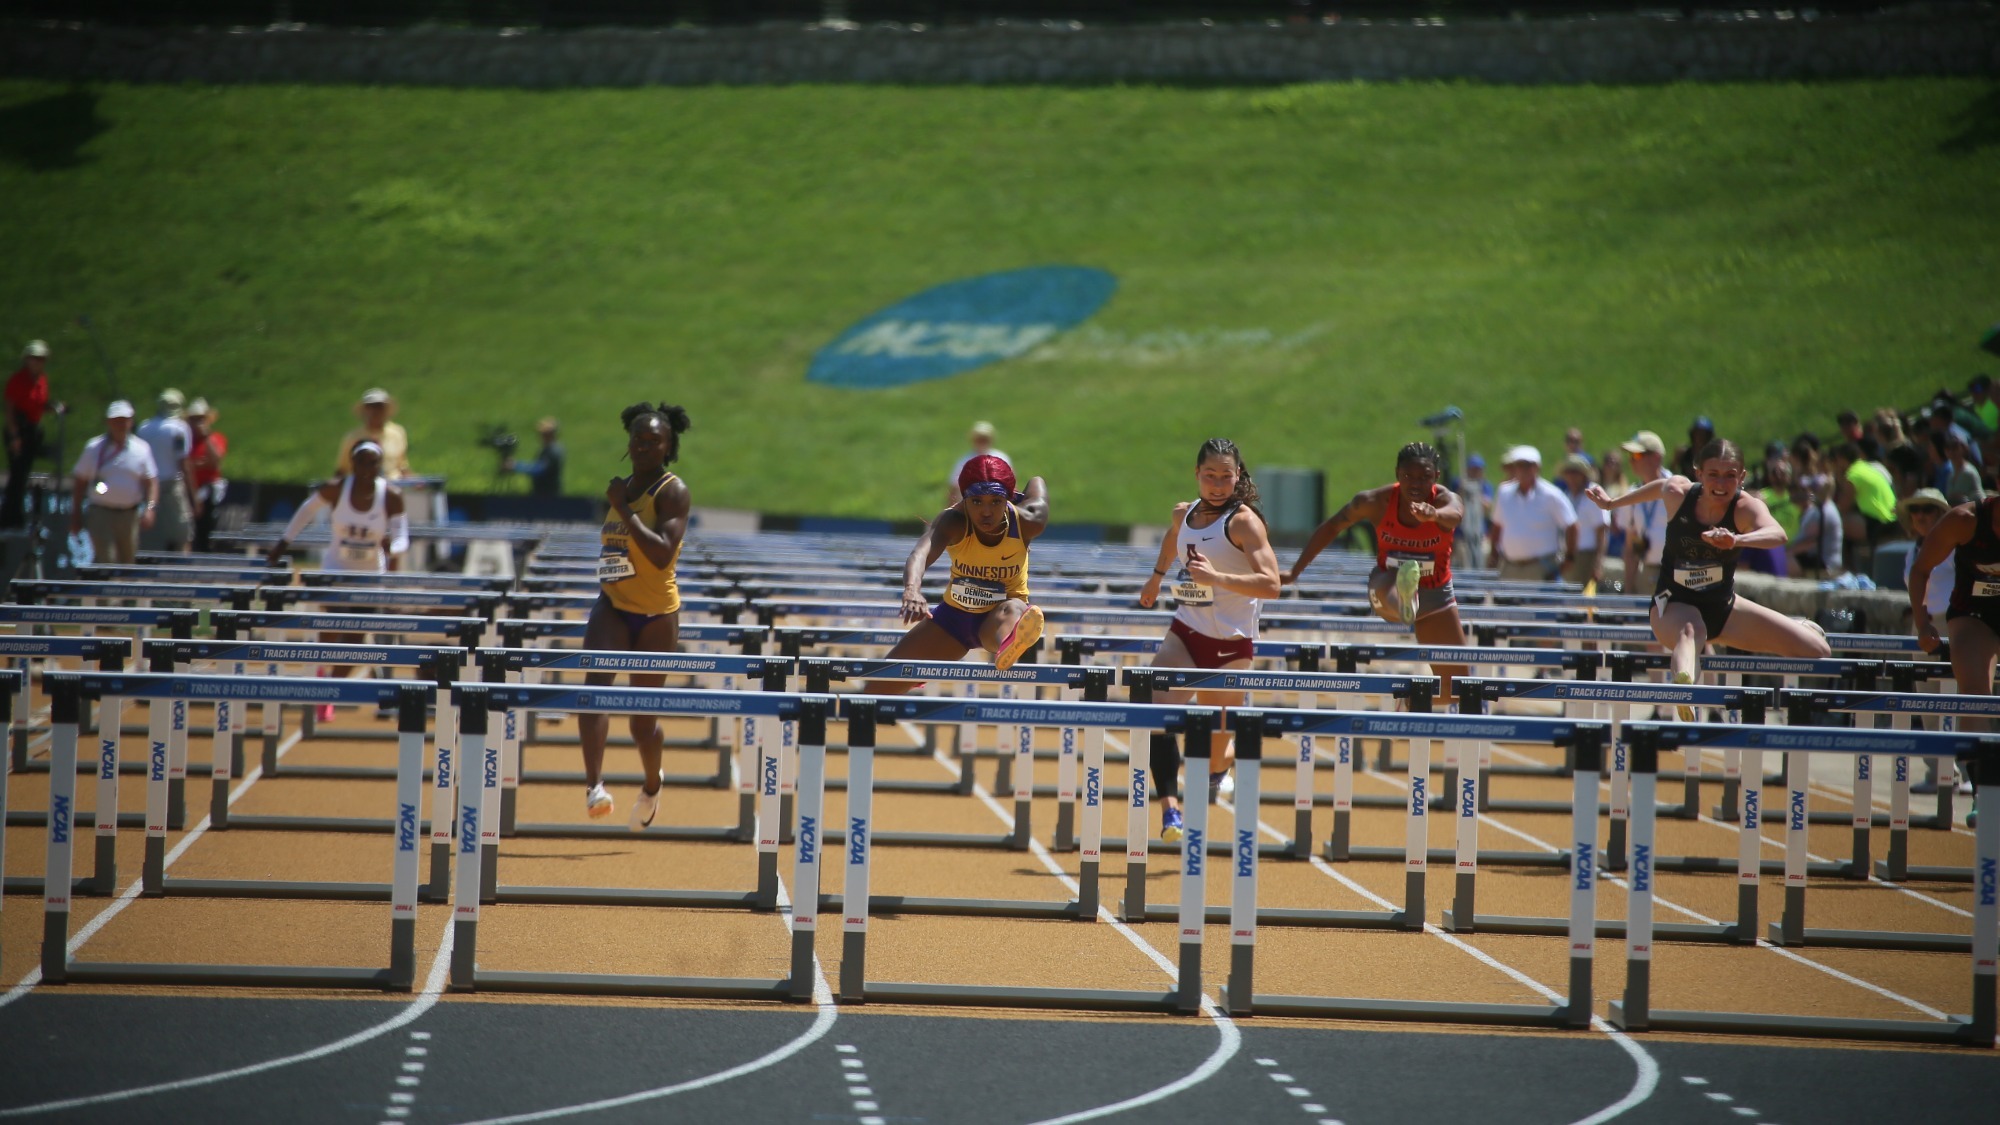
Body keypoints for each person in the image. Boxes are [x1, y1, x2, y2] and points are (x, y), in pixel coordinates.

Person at [1586, 438, 1831, 718]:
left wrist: (1736, 539)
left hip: (1722, 608)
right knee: (1692, 631)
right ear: (1698, 474)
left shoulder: (1744, 507)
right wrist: (1612, 504)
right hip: (1672, 606)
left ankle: (1796, 626)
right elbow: (1658, 488)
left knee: (1818, 651)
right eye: (1713, 474)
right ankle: (1685, 692)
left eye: (1730, 476)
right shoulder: (1679, 492)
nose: (1721, 484)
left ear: (1742, 477)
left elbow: (1777, 534)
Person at [1136, 439, 1281, 841]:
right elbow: (1173, 537)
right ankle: (1171, 812)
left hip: (1230, 648)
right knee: (1154, 715)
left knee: (1216, 754)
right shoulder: (1184, 513)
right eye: (1210, 476)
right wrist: (1157, 575)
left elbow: (1271, 584)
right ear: (1196, 475)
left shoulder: (1243, 521)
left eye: (1226, 476)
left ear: (1238, 477)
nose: (1217, 484)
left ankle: (1223, 767)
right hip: (1185, 633)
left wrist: (1217, 578)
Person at [569, 403, 693, 827]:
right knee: (593, 693)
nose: (643, 446)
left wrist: (623, 508)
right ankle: (594, 786)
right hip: (613, 607)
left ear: (668, 446)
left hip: (657, 615)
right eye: (638, 439)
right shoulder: (619, 487)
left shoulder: (672, 492)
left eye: (653, 440)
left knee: (643, 724)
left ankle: (652, 783)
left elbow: (660, 556)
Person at [1287, 441, 1469, 704]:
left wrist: (1434, 515)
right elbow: (1332, 526)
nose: (1416, 484)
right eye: (1408, 477)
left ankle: (1407, 702)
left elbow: (1455, 514)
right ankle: (1407, 600)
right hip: (1386, 587)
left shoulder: (1445, 501)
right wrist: (1295, 571)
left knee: (1456, 690)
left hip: (1436, 593)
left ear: (1436, 476)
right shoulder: (1374, 502)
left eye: (1424, 477)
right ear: (1397, 474)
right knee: (1396, 578)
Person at [267, 440, 411, 718]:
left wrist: (392, 547)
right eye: (363, 461)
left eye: (373, 462)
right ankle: (323, 671)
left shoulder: (391, 495)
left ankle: (331, 688)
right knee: (330, 629)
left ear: (379, 465)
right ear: (353, 463)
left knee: (357, 636)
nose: (368, 468)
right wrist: (283, 544)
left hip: (370, 574)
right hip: (335, 568)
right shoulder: (336, 489)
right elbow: (306, 511)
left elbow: (403, 536)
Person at [882, 454, 1047, 682]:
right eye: (977, 501)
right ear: (964, 500)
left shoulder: (1028, 521)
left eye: (996, 501)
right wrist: (911, 589)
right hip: (954, 618)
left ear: (1008, 499)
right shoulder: (954, 521)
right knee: (883, 681)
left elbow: (1037, 482)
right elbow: (920, 553)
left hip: (998, 617)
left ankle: (1009, 645)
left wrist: (1016, 494)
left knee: (1015, 608)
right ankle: (1008, 643)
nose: (986, 511)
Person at [1906, 489, 2000, 826]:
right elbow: (1920, 570)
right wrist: (1923, 624)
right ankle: (1981, 789)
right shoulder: (1965, 520)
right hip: (1973, 613)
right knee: (1975, 691)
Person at [69, 400, 157, 565]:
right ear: (108, 422)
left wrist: (150, 508)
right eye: (116, 421)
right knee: (106, 561)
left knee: (128, 562)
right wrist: (76, 515)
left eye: (124, 420)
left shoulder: (141, 449)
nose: (120, 425)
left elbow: (151, 482)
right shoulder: (94, 448)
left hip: (130, 515)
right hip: (101, 513)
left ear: (131, 421)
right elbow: (80, 481)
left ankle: (122, 590)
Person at [1489, 445, 1576, 583]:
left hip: (1542, 567)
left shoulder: (1551, 495)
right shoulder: (1503, 493)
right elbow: (1497, 525)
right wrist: (1493, 554)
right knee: (1508, 604)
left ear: (1537, 467)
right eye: (1519, 465)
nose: (1523, 470)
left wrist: (1569, 558)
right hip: (1511, 566)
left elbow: (1571, 524)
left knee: (1541, 605)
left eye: (1528, 465)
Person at [135, 389, 195, 552]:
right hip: (171, 484)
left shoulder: (144, 427)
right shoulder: (180, 429)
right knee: (183, 532)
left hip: (147, 486)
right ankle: (180, 568)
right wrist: (193, 497)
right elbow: (184, 463)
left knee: (150, 531)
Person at [4, 340, 54, 529]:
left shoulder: (42, 380)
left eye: (41, 359)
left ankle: (16, 516)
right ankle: (10, 517)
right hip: (18, 428)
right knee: (17, 474)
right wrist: (14, 436)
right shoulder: (18, 380)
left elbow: (39, 404)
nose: (37, 362)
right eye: (34, 358)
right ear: (26, 359)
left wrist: (53, 407)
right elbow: (9, 410)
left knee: (24, 473)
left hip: (33, 428)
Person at [1619, 431, 1673, 596]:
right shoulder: (1633, 494)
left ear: (1656, 457)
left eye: (1636, 455)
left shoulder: (1676, 489)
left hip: (1674, 573)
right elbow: (1630, 547)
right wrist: (1628, 588)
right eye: (1630, 455)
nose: (1631, 461)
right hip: (1647, 572)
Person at [335, 388, 412, 480]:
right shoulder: (353, 437)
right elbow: (342, 469)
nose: (375, 411)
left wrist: (418, 482)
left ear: (386, 410)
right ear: (365, 411)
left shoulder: (397, 433)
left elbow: (401, 465)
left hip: (392, 484)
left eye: (379, 407)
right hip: (363, 486)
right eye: (371, 407)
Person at [1558, 455, 1609, 587]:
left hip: (1587, 556)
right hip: (1569, 555)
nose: (1571, 476)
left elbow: (1601, 531)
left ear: (1583, 474)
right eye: (1568, 472)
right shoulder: (1567, 495)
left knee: (1584, 600)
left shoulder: (1593, 494)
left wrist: (1598, 564)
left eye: (1575, 472)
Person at [1744, 453, 1798, 576]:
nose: (1779, 475)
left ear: (1789, 476)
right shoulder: (1762, 496)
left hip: (1792, 548)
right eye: (1775, 472)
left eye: (1782, 472)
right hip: (1772, 546)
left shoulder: (1796, 499)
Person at [185, 399, 227, 552]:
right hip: (188, 488)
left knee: (206, 525)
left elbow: (215, 461)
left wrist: (206, 437)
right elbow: (185, 465)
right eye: (194, 419)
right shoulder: (185, 440)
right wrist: (199, 463)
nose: (198, 423)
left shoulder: (216, 438)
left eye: (201, 419)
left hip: (207, 488)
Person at [945, 421, 1010, 507]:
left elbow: (1011, 483)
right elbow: (954, 487)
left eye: (985, 440)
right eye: (979, 440)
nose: (982, 443)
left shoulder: (1002, 458)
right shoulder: (964, 460)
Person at [1788, 480, 1844, 579]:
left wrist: (1786, 553)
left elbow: (1810, 543)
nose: (1798, 494)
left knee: (1784, 559)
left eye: (1804, 490)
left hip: (1825, 565)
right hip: (1814, 559)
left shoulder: (1823, 510)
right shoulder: (1812, 511)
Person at [504, 417, 565, 497]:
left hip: (549, 495)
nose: (540, 436)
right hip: (541, 492)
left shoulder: (554, 451)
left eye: (544, 434)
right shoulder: (547, 449)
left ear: (551, 434)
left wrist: (515, 466)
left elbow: (539, 469)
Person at [1453, 451, 1492, 571]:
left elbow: (1487, 506)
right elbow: (1454, 503)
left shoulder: (1485, 486)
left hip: (1480, 535)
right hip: (1462, 536)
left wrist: (1476, 495)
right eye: (1473, 469)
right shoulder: (1457, 483)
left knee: (1484, 554)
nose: (1475, 472)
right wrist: (1462, 491)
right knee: (1465, 559)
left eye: (1478, 469)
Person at [1943, 433, 1986, 508]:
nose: (1951, 451)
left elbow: (1957, 499)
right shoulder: (1951, 473)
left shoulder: (1967, 472)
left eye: (1955, 447)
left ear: (1963, 448)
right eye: (1948, 448)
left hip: (1978, 511)